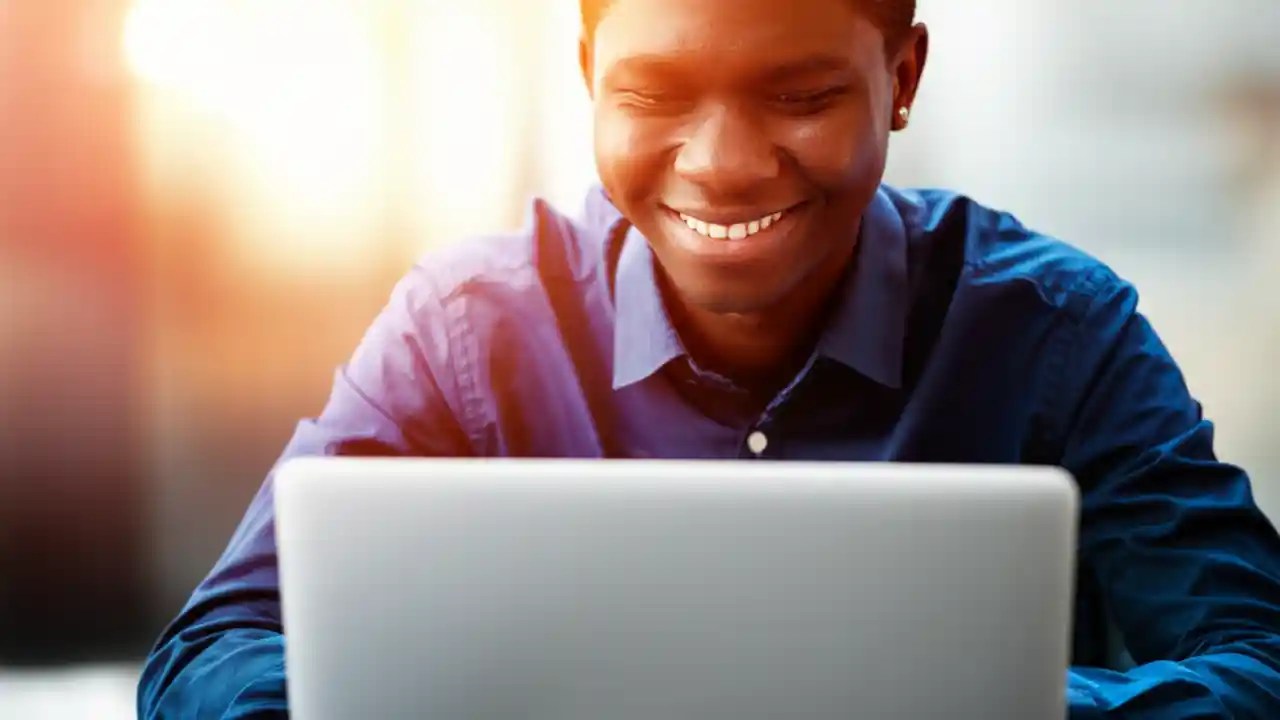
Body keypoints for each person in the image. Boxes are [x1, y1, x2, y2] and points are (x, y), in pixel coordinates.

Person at [137, 0, 1280, 717]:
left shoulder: (1055, 330)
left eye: (801, 96)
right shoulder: (464, 331)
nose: (723, 165)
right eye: (652, 95)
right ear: (587, 75)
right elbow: (207, 659)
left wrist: (999, 709)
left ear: (901, 79)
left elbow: (1259, 661)